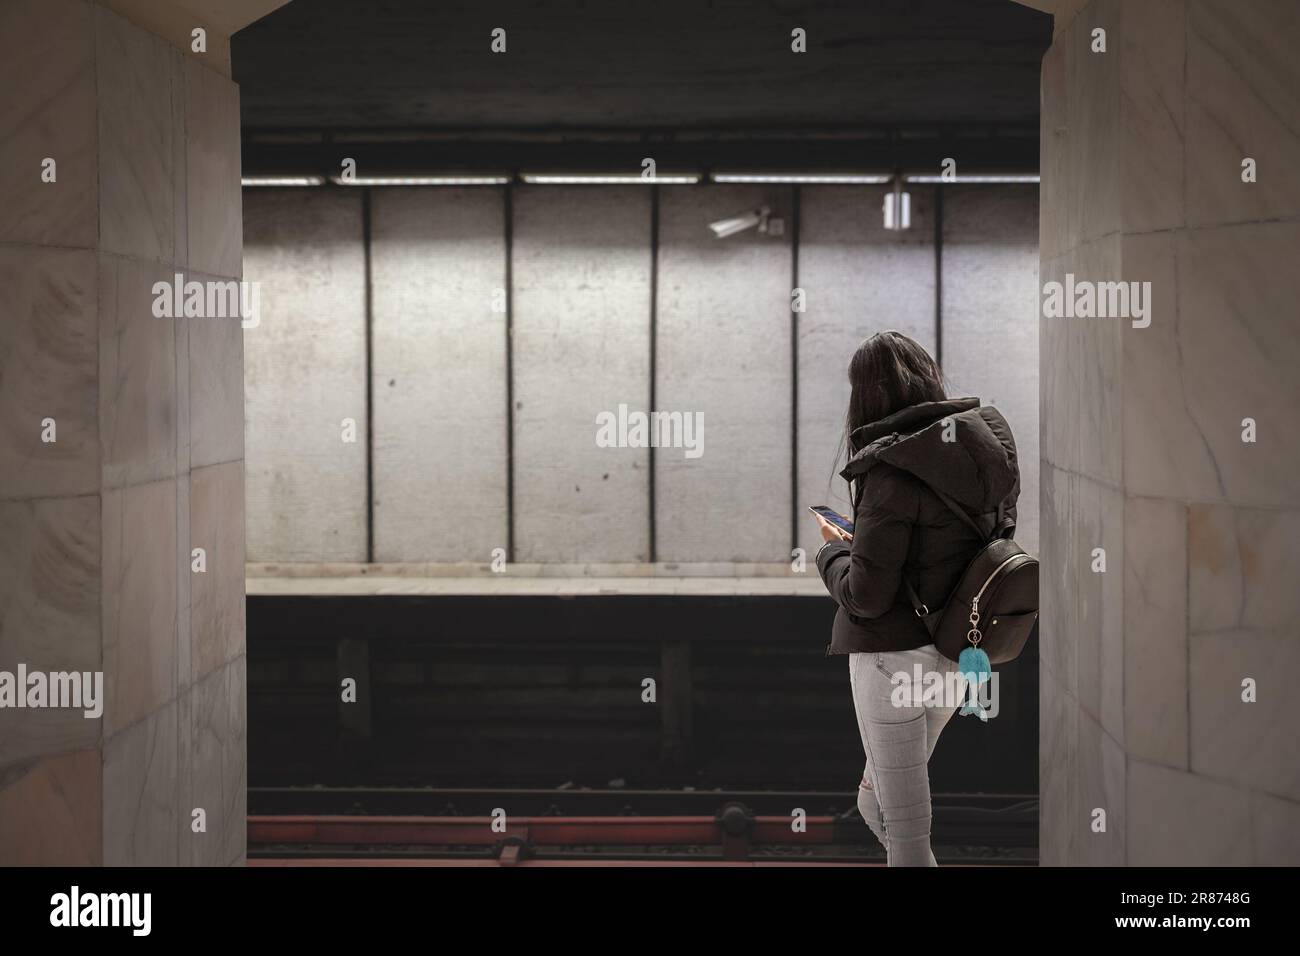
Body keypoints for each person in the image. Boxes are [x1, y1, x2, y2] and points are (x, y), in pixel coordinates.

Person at [812, 330, 1021, 866]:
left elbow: (867, 596)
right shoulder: (988, 446)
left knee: (904, 835)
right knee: (871, 802)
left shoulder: (891, 470)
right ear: (928, 378)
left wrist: (832, 555)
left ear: (866, 397)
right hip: (957, 654)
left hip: (893, 661)